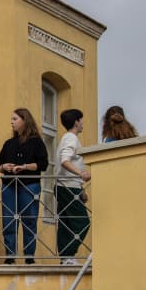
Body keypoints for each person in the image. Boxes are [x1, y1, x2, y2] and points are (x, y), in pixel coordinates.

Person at [0, 108, 49, 264]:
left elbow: (43, 164)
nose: (11, 122)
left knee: (29, 221)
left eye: (15, 119)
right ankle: (10, 256)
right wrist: (4, 167)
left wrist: (24, 167)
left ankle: (29, 257)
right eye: (12, 119)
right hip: (9, 186)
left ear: (24, 120)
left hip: (29, 185)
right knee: (8, 221)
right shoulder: (9, 143)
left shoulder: (36, 142)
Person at [55, 109, 92, 265]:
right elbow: (65, 160)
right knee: (82, 222)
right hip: (68, 186)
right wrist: (81, 173)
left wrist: (81, 188)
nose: (82, 123)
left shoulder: (65, 138)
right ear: (76, 121)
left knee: (66, 222)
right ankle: (68, 255)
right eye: (81, 120)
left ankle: (65, 257)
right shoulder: (71, 138)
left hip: (62, 185)